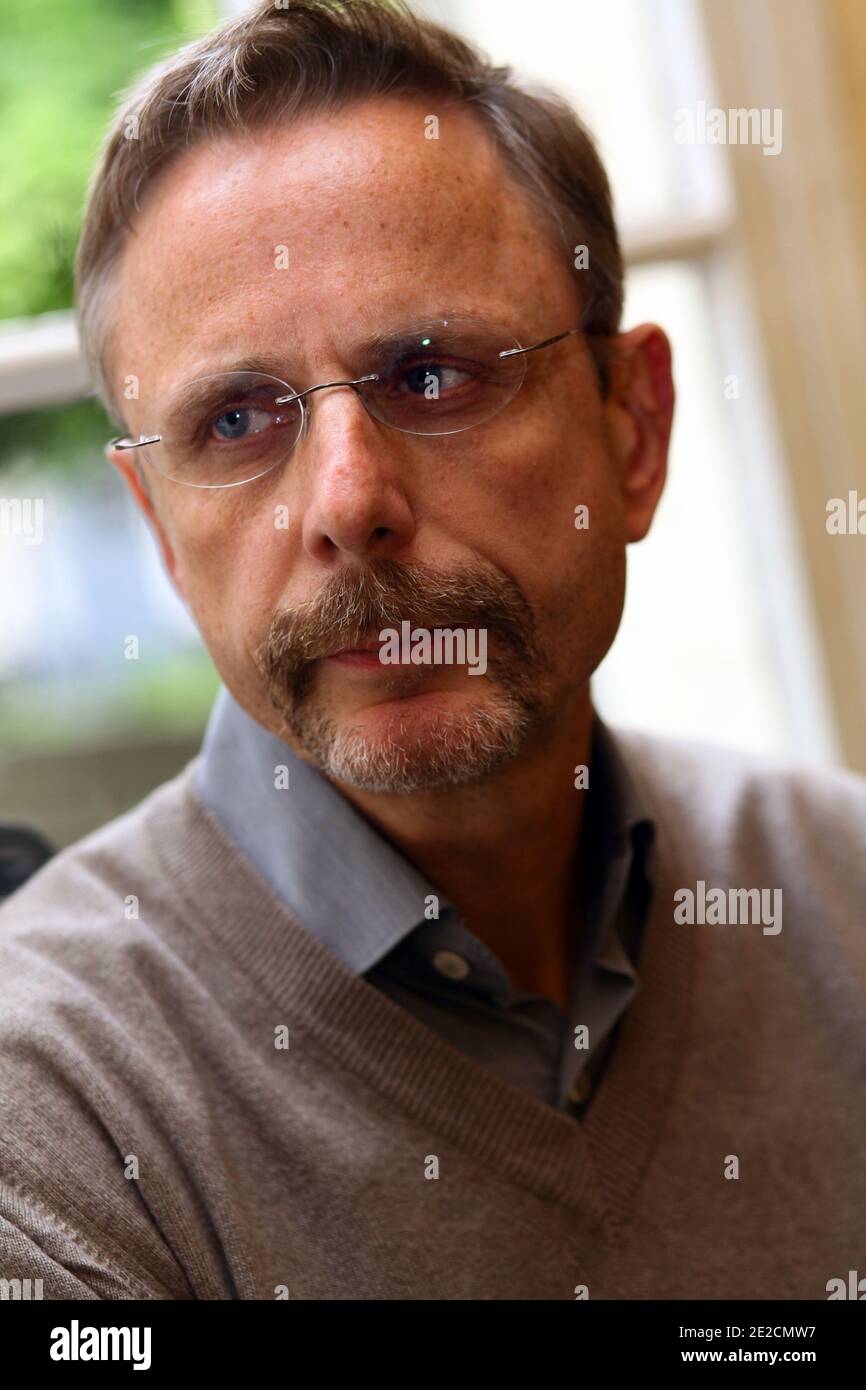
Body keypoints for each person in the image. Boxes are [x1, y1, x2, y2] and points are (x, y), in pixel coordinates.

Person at [0, 0, 863, 1301]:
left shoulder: (841, 898)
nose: (347, 502)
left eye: (430, 376)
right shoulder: (47, 1122)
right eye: (237, 418)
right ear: (162, 536)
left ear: (629, 430)